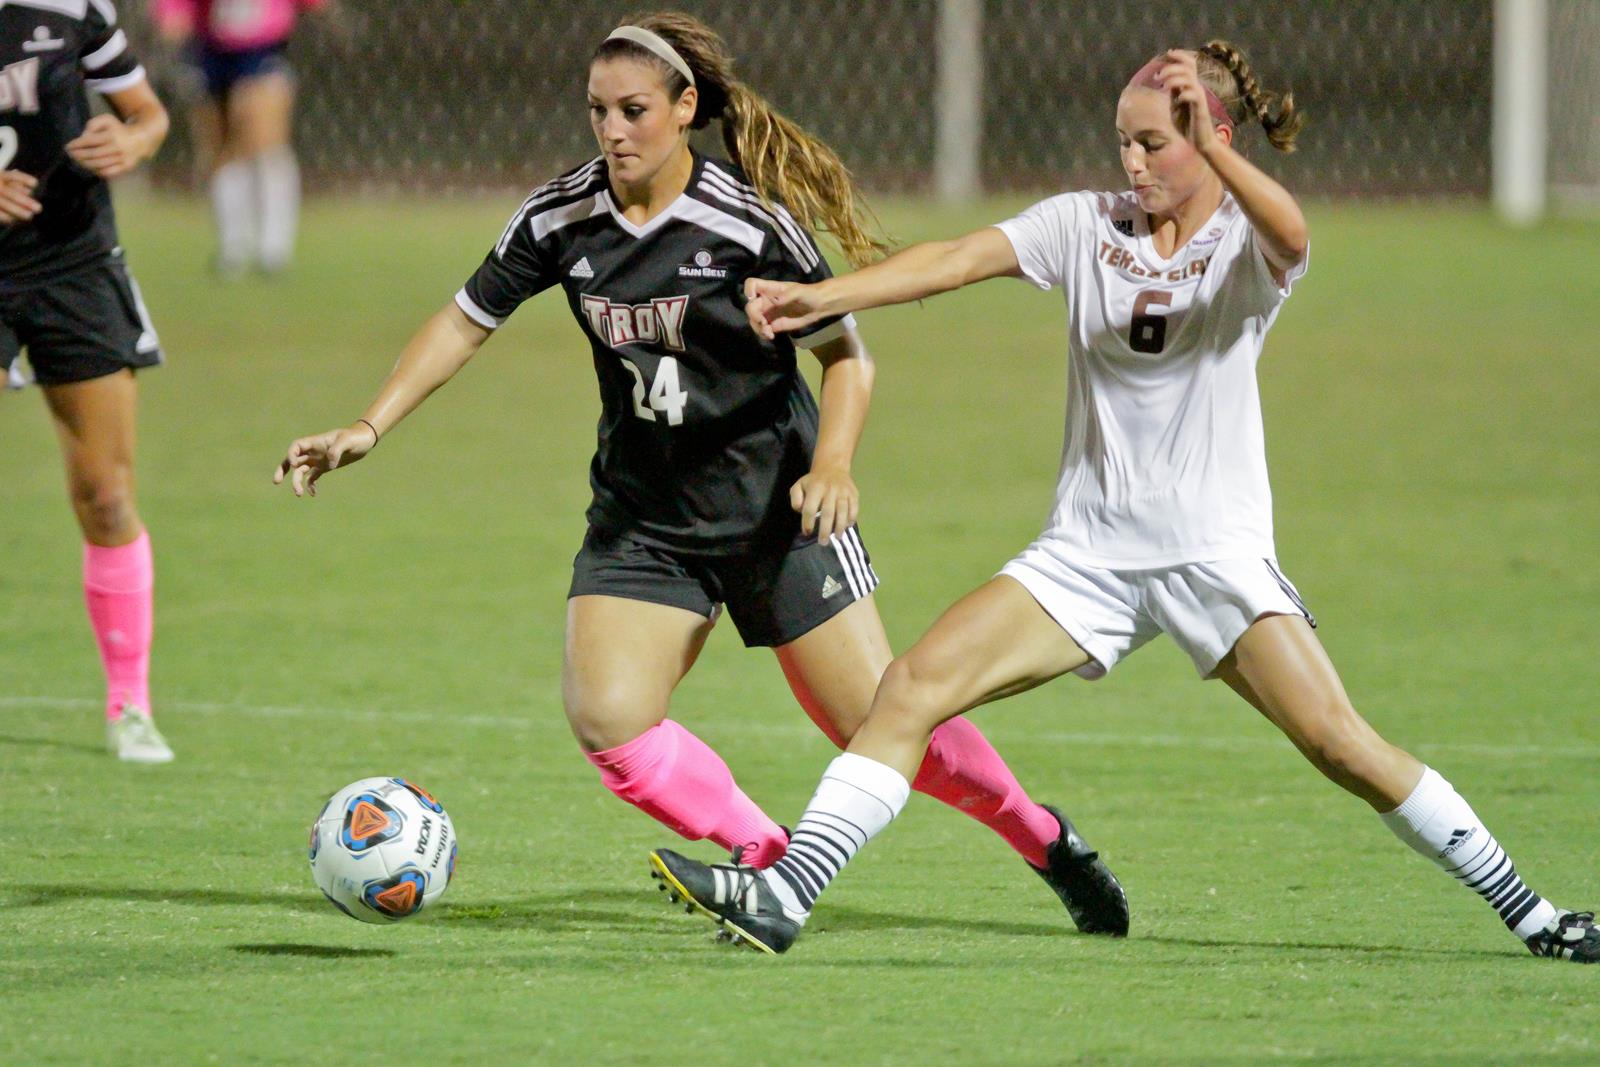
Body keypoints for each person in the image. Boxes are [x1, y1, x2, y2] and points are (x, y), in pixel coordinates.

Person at [649, 42, 1600, 962]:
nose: (1132, 162)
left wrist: (1218, 154)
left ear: (1213, 138)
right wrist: (827, 298)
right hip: (1087, 556)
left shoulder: (1244, 244)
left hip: (1212, 555)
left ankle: (1538, 915)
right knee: (910, 687)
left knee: (1341, 744)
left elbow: (1293, 235)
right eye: (1123, 141)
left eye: (1154, 143)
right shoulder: (1087, 225)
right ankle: (788, 893)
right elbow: (958, 256)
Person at [273, 12, 1128, 944]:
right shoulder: (561, 215)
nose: (612, 131)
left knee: (878, 719)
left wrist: (834, 465)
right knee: (609, 717)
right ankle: (764, 857)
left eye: (633, 110)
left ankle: (1044, 838)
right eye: (597, 110)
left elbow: (846, 355)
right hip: (645, 516)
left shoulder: (747, 221)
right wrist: (368, 425)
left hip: (777, 510)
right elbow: (463, 320)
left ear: (685, 108)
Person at [1, 0, 173, 762]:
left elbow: (148, 115)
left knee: (105, 494)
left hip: (72, 263)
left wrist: (131, 139)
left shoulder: (70, 7)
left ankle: (129, 703)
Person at [151, 0, 330, 276]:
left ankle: (273, 247)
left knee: (266, 143)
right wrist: (173, 14)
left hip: (263, 46)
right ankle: (233, 245)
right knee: (220, 149)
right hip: (211, 48)